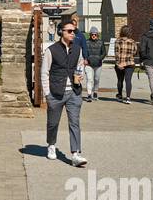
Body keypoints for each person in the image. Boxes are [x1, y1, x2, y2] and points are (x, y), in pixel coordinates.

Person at [40, 18, 87, 167]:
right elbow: (44, 72)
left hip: (74, 92)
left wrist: (81, 75)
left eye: (74, 31)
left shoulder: (77, 49)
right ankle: (51, 145)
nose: (73, 33)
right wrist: (47, 93)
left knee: (75, 123)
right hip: (55, 93)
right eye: (69, 31)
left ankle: (75, 154)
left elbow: (80, 66)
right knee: (53, 123)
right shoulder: (51, 50)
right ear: (61, 32)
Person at [114, 25, 136, 104]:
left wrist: (118, 63)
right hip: (130, 63)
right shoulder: (132, 42)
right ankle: (128, 97)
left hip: (120, 63)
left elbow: (116, 53)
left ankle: (120, 95)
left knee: (120, 80)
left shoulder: (117, 41)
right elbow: (134, 52)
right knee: (128, 80)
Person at [84, 29, 106, 102]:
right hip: (89, 64)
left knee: (96, 79)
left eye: (95, 34)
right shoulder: (86, 42)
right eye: (92, 34)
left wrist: (100, 58)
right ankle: (89, 95)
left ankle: (95, 92)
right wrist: (86, 59)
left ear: (97, 35)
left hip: (98, 64)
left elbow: (104, 53)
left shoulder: (101, 42)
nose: (93, 35)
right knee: (89, 79)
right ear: (90, 34)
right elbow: (84, 52)